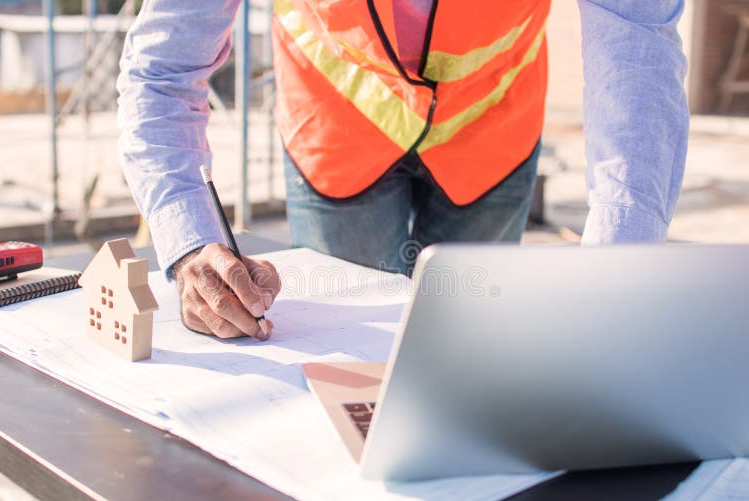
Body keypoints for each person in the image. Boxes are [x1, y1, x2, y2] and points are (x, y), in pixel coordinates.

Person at [117, 1, 689, 340]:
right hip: (337, 122)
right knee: (341, 360)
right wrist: (191, 241)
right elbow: (161, 72)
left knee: (473, 346)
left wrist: (618, 271)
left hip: (491, 124)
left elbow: (636, 49)